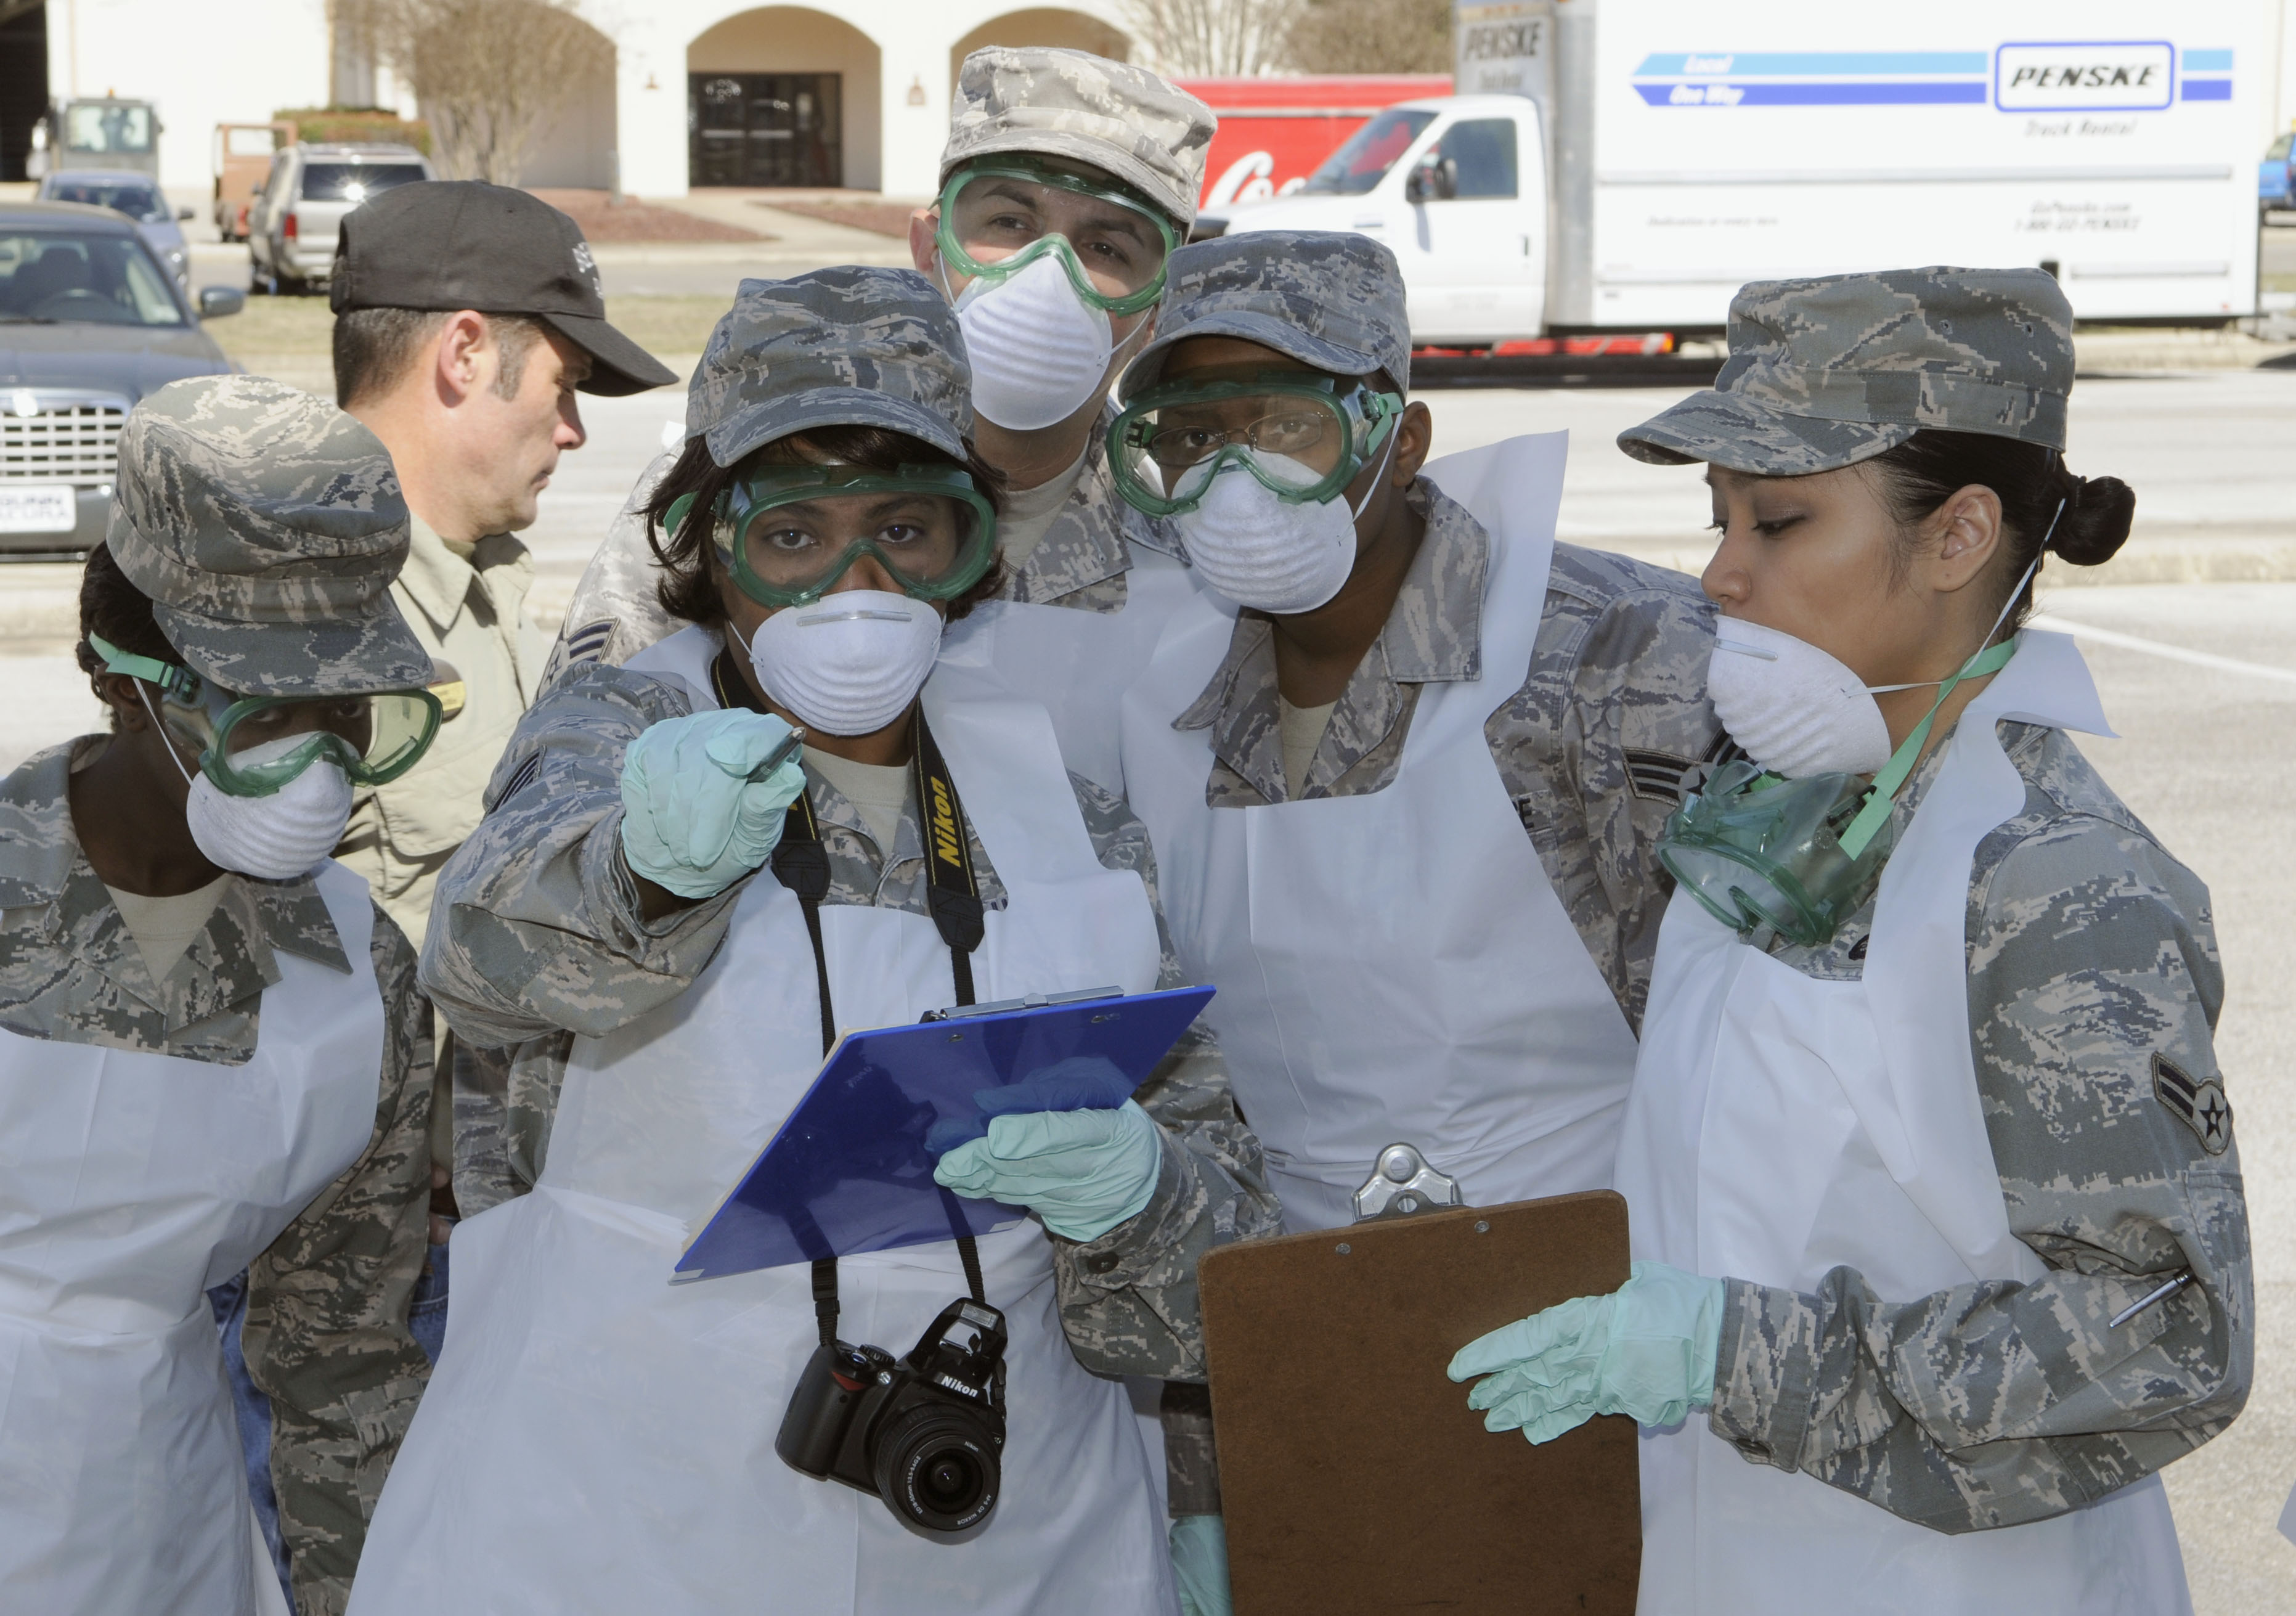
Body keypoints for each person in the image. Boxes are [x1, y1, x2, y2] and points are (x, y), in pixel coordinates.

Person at [344, 267, 1276, 1616]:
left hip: (1011, 1535)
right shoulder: (618, 737)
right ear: (710, 545)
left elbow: (1217, 1280)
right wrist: (642, 875)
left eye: (905, 528)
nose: (860, 585)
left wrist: (1140, 1195)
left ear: (971, 543)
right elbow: (482, 965)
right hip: (639, 1520)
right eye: (795, 536)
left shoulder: (1068, 815)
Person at [1444, 268, 2249, 1613]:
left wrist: (1730, 1355)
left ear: (1960, 534)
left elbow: (2164, 1333)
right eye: (1718, 519)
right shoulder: (1783, 795)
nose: (1722, 573)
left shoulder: (2052, 876)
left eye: (1780, 521)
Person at [1110, 232, 1722, 1607]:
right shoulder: (1169, 708)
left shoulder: (1615, 659)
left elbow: (1755, 1067)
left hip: (1625, 1366)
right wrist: (1209, 1479)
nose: (1231, 479)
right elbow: (1202, 1118)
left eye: (1285, 424)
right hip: (1327, 1380)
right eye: (1187, 436)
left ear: (1402, 435)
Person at [0, 373, 439, 1615]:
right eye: (257, 703)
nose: (313, 758)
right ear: (117, 672)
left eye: (344, 704)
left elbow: (342, 1368)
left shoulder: (357, 974)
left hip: (162, 1526)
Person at [547, 46, 1215, 796]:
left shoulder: (1195, 540)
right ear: (929, 248)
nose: (1046, 272)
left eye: (1106, 246)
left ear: (1157, 306)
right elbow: (571, 768)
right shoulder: (738, 489)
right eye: (1008, 221)